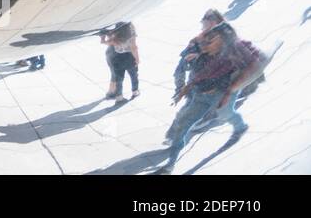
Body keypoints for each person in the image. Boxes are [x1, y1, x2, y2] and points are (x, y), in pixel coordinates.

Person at [162, 23, 264, 172]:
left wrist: (230, 91)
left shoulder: (234, 49)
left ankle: (240, 127)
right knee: (182, 122)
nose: (205, 44)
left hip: (222, 93)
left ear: (223, 39)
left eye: (210, 40)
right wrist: (185, 88)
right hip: (200, 95)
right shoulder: (205, 55)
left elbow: (253, 65)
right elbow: (200, 74)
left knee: (226, 114)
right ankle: (170, 164)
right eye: (204, 41)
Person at [100, 23, 139, 103]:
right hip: (129, 56)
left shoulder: (116, 32)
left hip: (117, 58)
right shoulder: (131, 31)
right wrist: (137, 58)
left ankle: (119, 96)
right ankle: (135, 91)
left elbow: (108, 43)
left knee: (119, 78)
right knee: (133, 75)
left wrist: (103, 40)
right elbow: (134, 47)